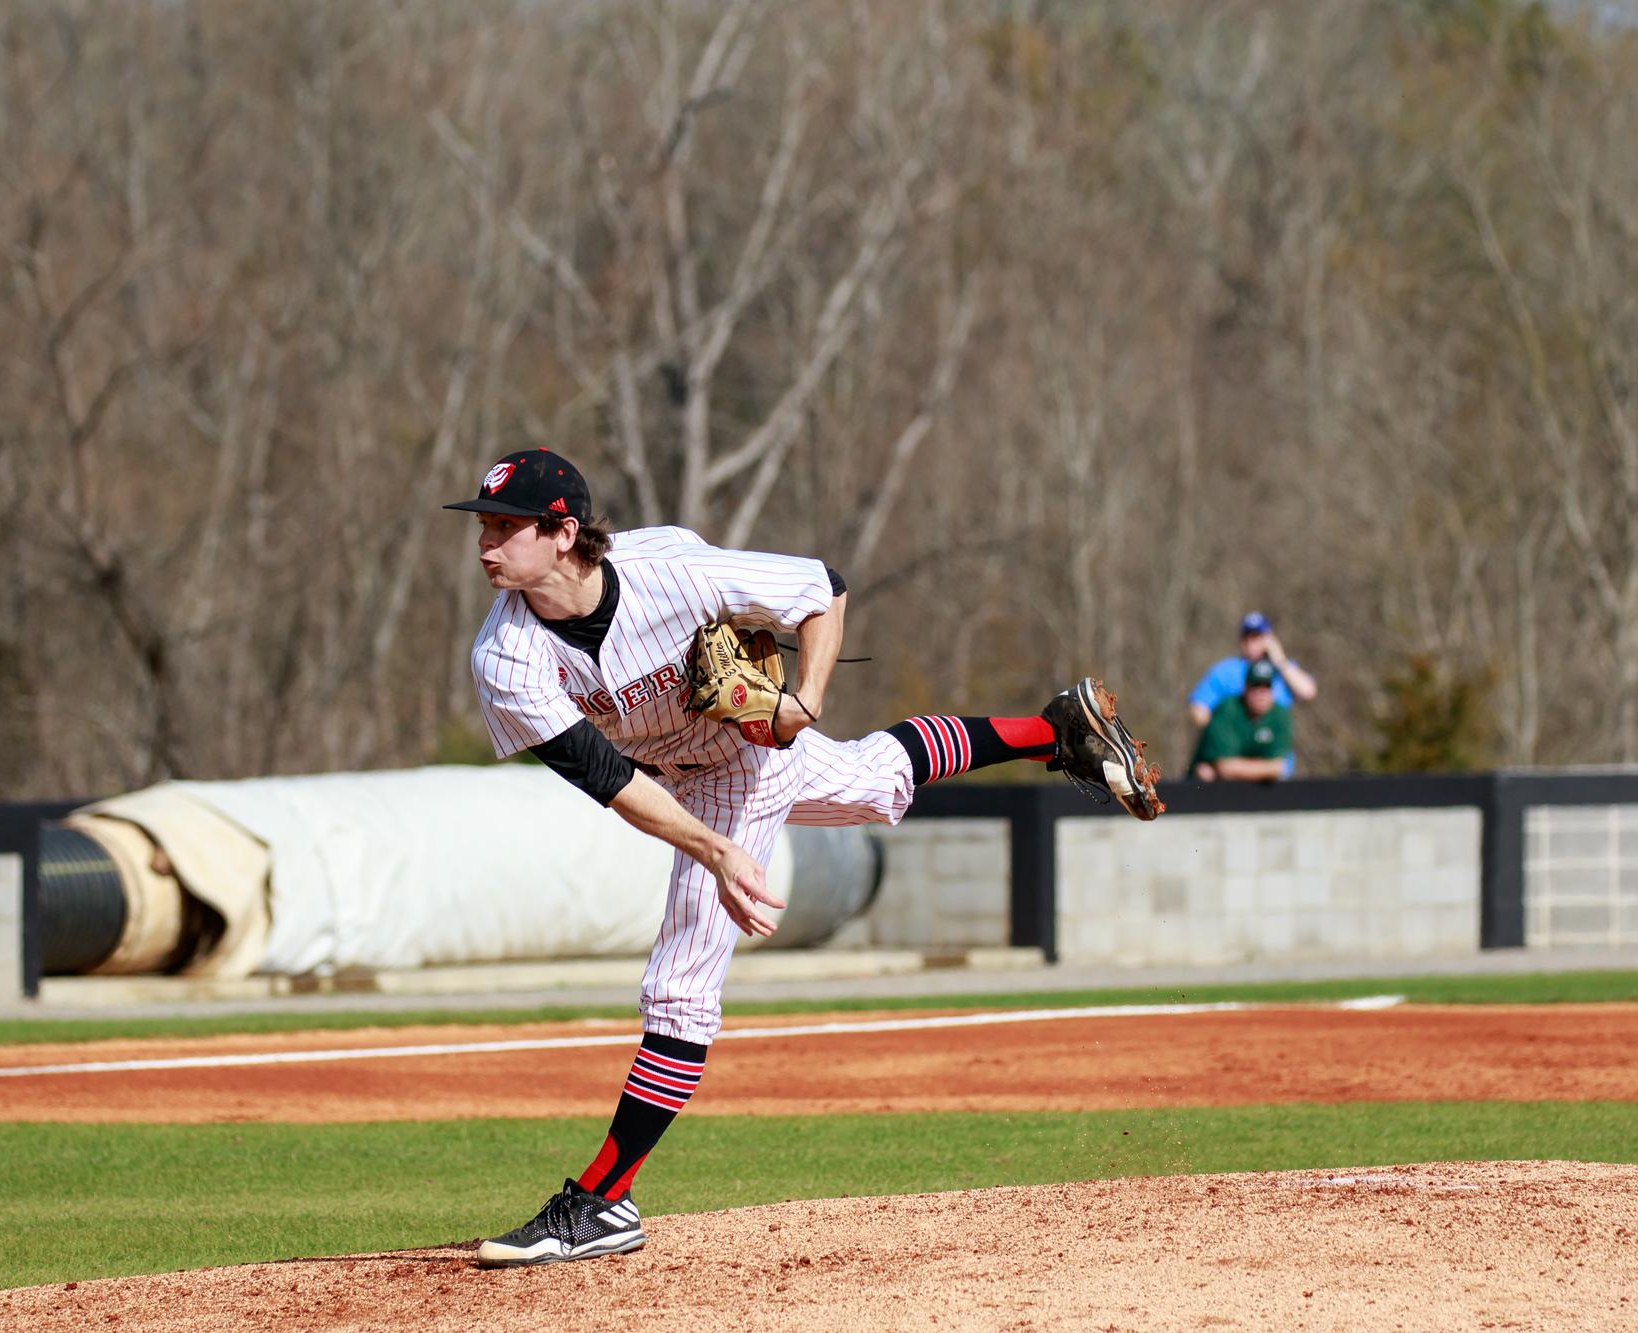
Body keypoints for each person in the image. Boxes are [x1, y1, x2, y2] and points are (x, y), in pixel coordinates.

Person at [444, 448, 1165, 1267]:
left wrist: (804, 701)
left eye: (506, 525)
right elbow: (607, 777)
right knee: (871, 778)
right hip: (686, 779)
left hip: (742, 762)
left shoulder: (672, 572)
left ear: (564, 532)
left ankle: (603, 1199)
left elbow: (822, 586)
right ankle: (1054, 732)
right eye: (485, 525)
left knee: (681, 984)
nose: (487, 542)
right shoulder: (506, 656)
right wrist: (714, 849)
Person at [1187, 611, 1316, 728]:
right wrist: (1223, 732)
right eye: (1246, 637)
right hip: (1235, 750)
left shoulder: (1282, 669)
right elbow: (1199, 710)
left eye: (1257, 636)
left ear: (1269, 638)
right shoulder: (1225, 671)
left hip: (1273, 750)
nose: (1251, 642)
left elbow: (1307, 691)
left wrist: (1280, 660)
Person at [1190, 656, 1292, 783]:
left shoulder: (1279, 714)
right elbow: (1225, 769)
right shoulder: (1227, 710)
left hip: (1258, 793)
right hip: (1208, 791)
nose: (1261, 693)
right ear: (1245, 688)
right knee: (1206, 774)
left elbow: (1278, 768)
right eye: (1255, 686)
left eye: (1266, 686)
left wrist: (1236, 768)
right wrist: (1266, 768)